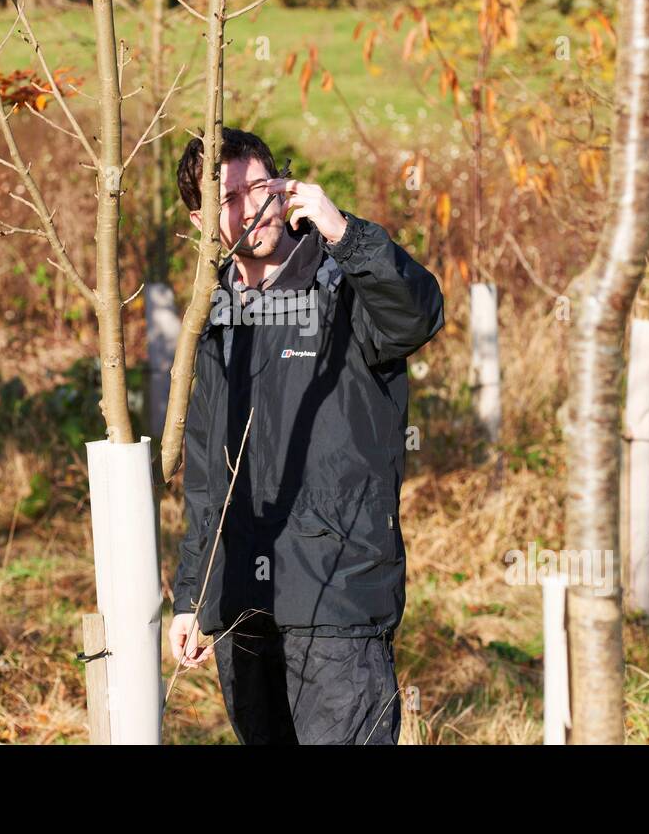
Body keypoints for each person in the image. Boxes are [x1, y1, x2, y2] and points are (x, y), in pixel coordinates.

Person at [167, 128, 444, 745]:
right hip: (243, 605)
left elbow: (418, 314)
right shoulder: (214, 318)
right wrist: (192, 597)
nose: (249, 209)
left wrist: (344, 231)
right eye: (227, 197)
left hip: (336, 601)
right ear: (202, 217)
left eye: (259, 188)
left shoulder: (344, 288)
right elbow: (210, 477)